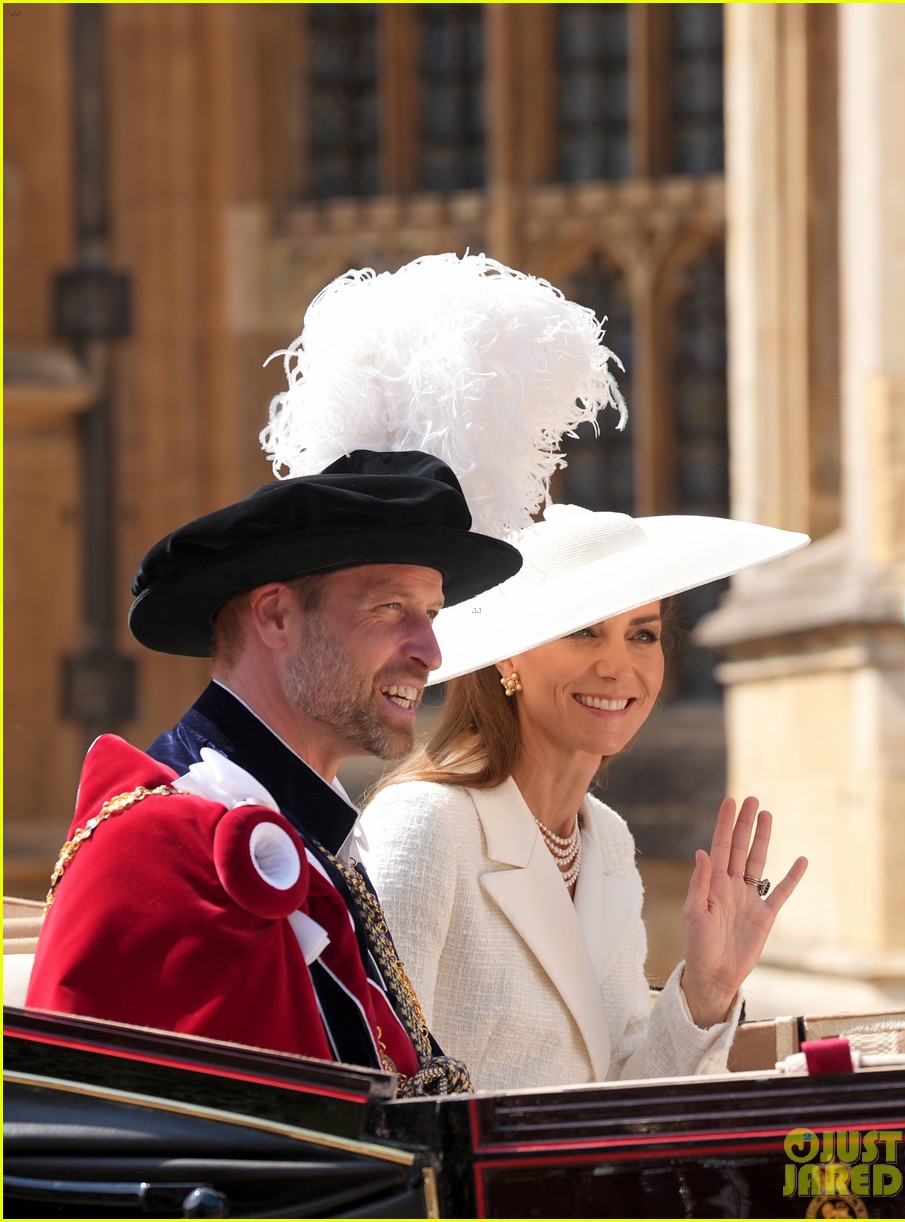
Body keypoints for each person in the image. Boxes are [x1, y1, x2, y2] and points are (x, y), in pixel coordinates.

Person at [26, 252, 625, 1096]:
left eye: (431, 613)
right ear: (273, 616)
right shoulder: (159, 849)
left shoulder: (308, 840)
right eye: (390, 612)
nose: (429, 650)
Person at [362, 503, 811, 1091]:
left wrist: (707, 990)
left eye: (642, 635)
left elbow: (624, 1093)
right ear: (509, 654)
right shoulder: (423, 823)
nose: (618, 666)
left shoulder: (608, 838)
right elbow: (376, 1082)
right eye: (584, 630)